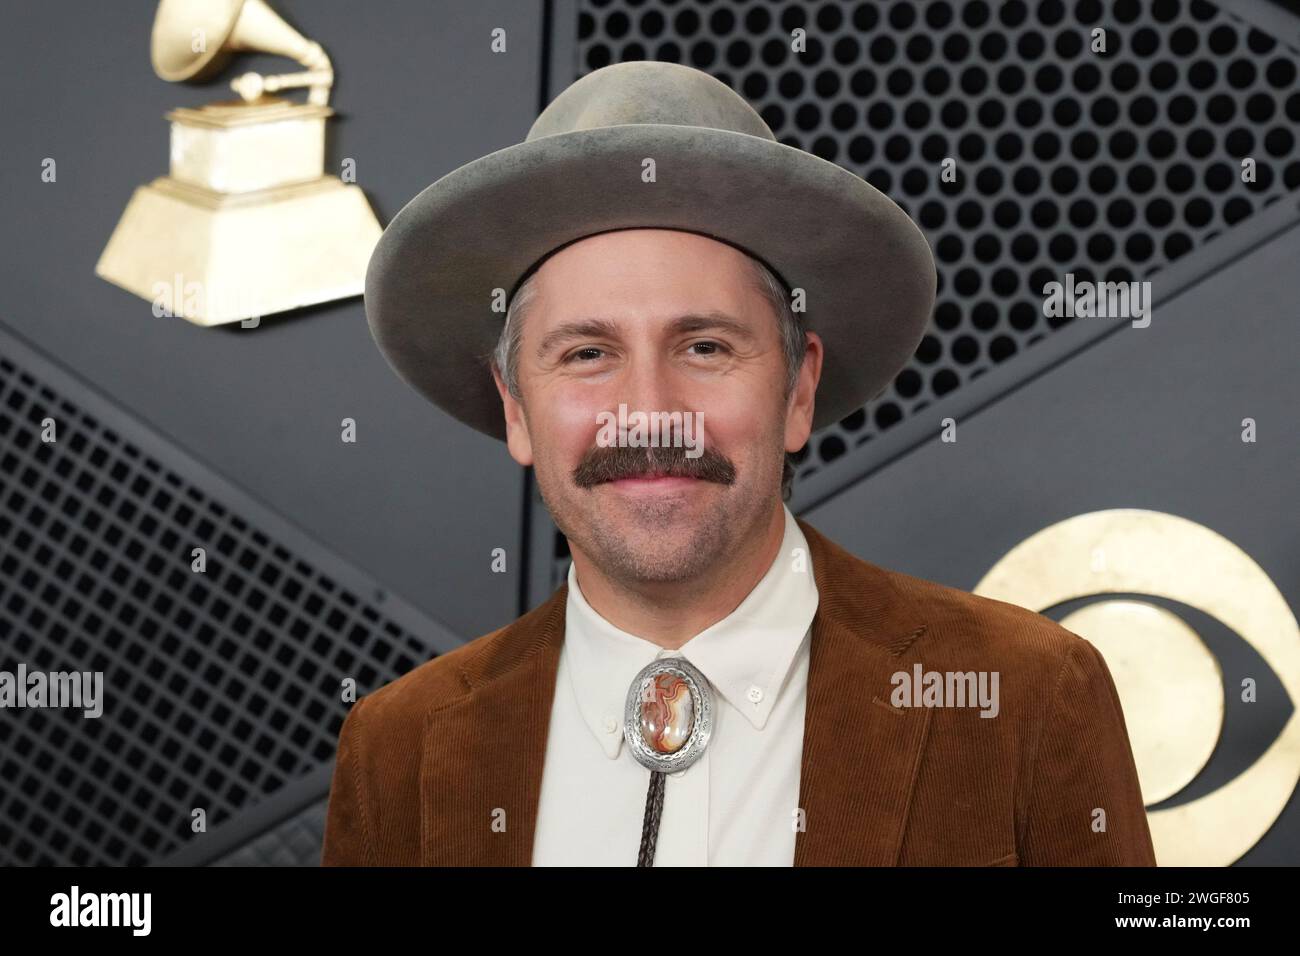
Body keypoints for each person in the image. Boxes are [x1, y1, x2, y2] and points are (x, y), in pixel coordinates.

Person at [321, 61, 1154, 866]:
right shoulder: (399, 748)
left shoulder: (1027, 694)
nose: (650, 411)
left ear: (798, 390)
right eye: (585, 355)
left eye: (706, 345)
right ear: (515, 407)